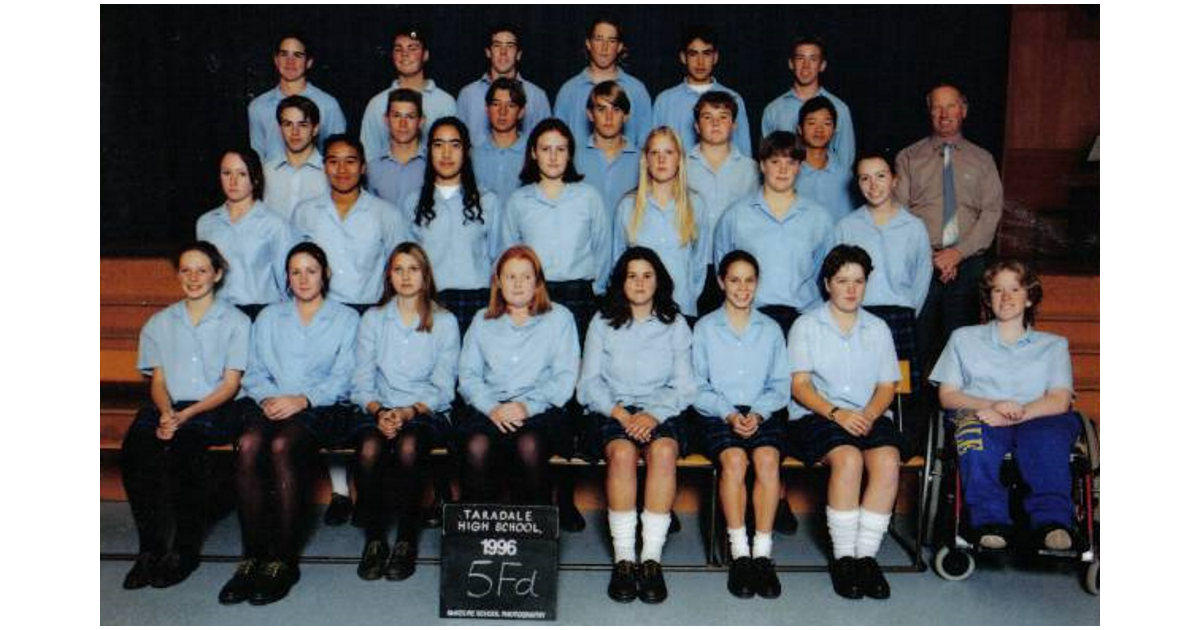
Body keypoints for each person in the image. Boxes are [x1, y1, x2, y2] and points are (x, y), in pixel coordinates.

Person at [219, 242, 361, 606]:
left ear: (326, 274)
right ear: (287, 277)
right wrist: (270, 399)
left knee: (282, 446)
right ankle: (252, 557)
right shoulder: (269, 317)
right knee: (250, 443)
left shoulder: (346, 318)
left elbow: (346, 376)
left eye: (311, 270)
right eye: (295, 271)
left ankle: (282, 561)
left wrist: (302, 400)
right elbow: (254, 371)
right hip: (272, 403)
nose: (303, 278)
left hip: (323, 406)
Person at [121, 241, 250, 591]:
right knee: (135, 447)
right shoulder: (159, 322)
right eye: (186, 270)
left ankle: (184, 550)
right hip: (170, 405)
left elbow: (230, 384)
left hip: (215, 406)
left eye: (202, 270)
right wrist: (166, 412)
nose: (193, 278)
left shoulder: (236, 321)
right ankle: (149, 550)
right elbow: (159, 382)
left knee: (185, 448)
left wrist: (185, 415)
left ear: (217, 274)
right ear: (178, 274)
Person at [929, 260, 1078, 553]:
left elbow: (1059, 399)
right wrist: (994, 405)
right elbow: (947, 395)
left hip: (1039, 415)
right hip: (981, 412)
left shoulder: (1053, 345)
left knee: (1045, 438)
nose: (1006, 297)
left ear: (1029, 297)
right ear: (988, 297)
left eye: (1015, 289)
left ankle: (1052, 522)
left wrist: (1014, 416)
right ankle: (989, 521)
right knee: (975, 435)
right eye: (998, 290)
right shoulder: (964, 338)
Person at [577, 247, 695, 604]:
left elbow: (685, 386)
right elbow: (589, 383)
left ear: (659, 281)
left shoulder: (675, 323)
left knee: (662, 450)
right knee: (623, 452)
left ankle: (651, 560)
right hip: (613, 411)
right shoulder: (602, 321)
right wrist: (622, 415)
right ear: (621, 281)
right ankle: (625, 559)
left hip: (662, 409)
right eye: (632, 275)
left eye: (647, 275)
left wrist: (652, 415)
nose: (640, 282)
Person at [787, 244, 902, 601]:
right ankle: (843, 559)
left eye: (858, 281)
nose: (851, 289)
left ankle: (865, 555)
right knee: (849, 459)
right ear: (827, 284)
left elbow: (887, 385)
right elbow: (799, 384)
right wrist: (838, 414)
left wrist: (868, 413)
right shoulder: (807, 325)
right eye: (842, 281)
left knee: (886, 460)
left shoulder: (878, 328)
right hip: (818, 414)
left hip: (866, 413)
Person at [352, 243, 461, 582]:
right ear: (389, 276)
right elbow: (360, 383)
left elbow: (444, 388)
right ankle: (374, 540)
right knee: (369, 448)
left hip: (425, 411)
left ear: (425, 274)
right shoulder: (373, 319)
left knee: (409, 447)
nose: (406, 277)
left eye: (413, 269)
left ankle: (405, 540)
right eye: (398, 269)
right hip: (380, 409)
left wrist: (408, 412)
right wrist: (381, 411)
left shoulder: (444, 321)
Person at [693, 250, 789, 599]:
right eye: (734, 280)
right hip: (718, 411)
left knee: (766, 459)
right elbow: (697, 385)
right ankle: (740, 554)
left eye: (749, 280)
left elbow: (780, 385)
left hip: (762, 410)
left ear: (757, 284)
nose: (742, 287)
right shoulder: (705, 328)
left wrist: (759, 413)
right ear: (721, 282)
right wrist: (729, 413)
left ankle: (762, 554)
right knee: (735, 460)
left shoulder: (771, 329)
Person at [456, 245, 581, 507]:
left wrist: (526, 407)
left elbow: (564, 378)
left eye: (526, 276)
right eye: (510, 277)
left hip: (542, 410)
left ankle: (533, 540)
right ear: (498, 282)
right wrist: (492, 408)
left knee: (528, 444)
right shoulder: (482, 320)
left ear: (537, 282)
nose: (518, 284)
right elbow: (468, 375)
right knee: (476, 444)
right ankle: (484, 534)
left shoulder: (560, 318)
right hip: (491, 409)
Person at [895, 83, 1004, 381]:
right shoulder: (908, 157)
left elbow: (991, 213)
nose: (944, 114)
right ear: (929, 112)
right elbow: (899, 214)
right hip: (921, 263)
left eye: (951, 106)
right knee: (915, 346)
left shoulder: (983, 160)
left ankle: (955, 418)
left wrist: (957, 253)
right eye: (937, 107)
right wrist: (932, 257)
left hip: (968, 264)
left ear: (964, 110)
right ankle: (912, 422)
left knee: (963, 345)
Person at [835, 151, 933, 436]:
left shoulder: (914, 227)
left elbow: (921, 279)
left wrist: (905, 310)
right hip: (857, 317)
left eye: (880, 176)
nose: (873, 185)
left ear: (894, 180)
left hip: (898, 317)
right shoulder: (847, 226)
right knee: (857, 384)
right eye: (865, 178)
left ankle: (896, 442)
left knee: (898, 389)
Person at [713, 131, 834, 336]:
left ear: (799, 167)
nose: (783, 170)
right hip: (750, 319)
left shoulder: (819, 218)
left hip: (804, 321)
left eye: (791, 162)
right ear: (762, 165)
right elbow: (723, 270)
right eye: (775, 161)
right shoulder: (735, 215)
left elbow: (824, 273)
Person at [501, 118, 611, 339]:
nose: (553, 157)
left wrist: (596, 291)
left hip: (579, 294)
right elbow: (508, 252)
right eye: (545, 149)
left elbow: (603, 248)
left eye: (560, 149)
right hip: (534, 294)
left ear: (569, 154)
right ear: (533, 153)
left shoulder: (588, 196)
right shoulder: (518, 200)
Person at [399, 117, 502, 335]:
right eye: (438, 145)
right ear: (428, 151)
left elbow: (498, 260)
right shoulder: (412, 203)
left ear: (466, 152)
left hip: (476, 302)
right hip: (429, 301)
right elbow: (406, 263)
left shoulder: (488, 201)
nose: (446, 154)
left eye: (454, 145)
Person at [292, 134, 406, 309]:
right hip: (320, 310)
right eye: (333, 162)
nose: (342, 169)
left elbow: (401, 268)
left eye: (350, 161)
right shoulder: (305, 213)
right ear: (324, 167)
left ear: (363, 168)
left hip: (368, 310)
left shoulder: (386, 214)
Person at [612, 127, 709, 320]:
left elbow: (699, 264)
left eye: (669, 152)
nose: (661, 159)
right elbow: (618, 263)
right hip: (638, 313)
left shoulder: (696, 204)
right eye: (654, 153)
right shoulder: (627, 206)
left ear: (679, 159)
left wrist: (688, 296)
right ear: (646, 160)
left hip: (682, 309)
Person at [196, 148, 295, 319]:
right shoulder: (206, 223)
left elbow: (286, 283)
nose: (233, 181)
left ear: (255, 178)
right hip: (218, 314)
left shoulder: (274, 224)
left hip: (260, 314)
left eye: (242, 174)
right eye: (226, 173)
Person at [685, 91, 758, 316]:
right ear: (697, 126)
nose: (715, 123)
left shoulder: (751, 169)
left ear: (734, 124)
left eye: (723, 117)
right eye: (707, 117)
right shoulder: (681, 165)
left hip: (735, 269)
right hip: (692, 263)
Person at [553, 15, 653, 152]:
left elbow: (646, 145)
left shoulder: (637, 90)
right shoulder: (569, 90)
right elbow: (557, 142)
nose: (604, 47)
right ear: (588, 43)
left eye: (611, 41)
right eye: (598, 39)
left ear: (619, 47)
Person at [651, 25, 752, 157]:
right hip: (677, 177)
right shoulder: (665, 101)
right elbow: (652, 151)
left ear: (715, 57)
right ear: (683, 57)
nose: (700, 62)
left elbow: (744, 153)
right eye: (693, 54)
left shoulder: (733, 98)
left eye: (707, 54)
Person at [361, 27, 457, 163]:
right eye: (398, 49)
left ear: (425, 55)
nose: (405, 54)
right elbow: (368, 155)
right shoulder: (377, 104)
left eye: (413, 48)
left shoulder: (445, 102)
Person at [248, 33, 347, 163]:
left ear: (309, 62)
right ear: (276, 60)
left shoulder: (328, 105)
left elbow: (339, 154)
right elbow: (257, 157)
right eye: (284, 54)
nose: (290, 61)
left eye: (298, 55)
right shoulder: (258, 106)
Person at [761, 36, 854, 171]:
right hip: (786, 188)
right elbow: (766, 158)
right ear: (791, 63)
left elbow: (845, 162)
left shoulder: (840, 108)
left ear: (822, 65)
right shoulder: (774, 109)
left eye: (813, 59)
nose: (806, 66)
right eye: (800, 58)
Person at [455, 24, 552, 146]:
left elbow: (547, 142)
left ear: (518, 54)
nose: (503, 52)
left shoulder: (537, 96)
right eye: (497, 45)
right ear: (488, 52)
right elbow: (458, 142)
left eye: (510, 46)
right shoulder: (468, 95)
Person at [573, 81, 641, 217]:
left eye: (616, 110)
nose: (609, 117)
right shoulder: (574, 157)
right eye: (601, 109)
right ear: (590, 114)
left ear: (626, 116)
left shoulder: (642, 159)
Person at [263, 95, 329, 222]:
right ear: (280, 129)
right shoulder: (267, 171)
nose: (295, 132)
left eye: (303, 125)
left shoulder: (329, 171)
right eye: (288, 124)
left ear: (315, 129)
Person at [795, 96, 855, 224]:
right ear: (799, 129)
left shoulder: (844, 174)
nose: (819, 129)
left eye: (827, 123)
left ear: (834, 130)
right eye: (812, 123)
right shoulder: (789, 171)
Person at [472, 78, 529, 210]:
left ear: (521, 112)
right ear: (487, 109)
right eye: (496, 104)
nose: (502, 112)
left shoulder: (532, 154)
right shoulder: (474, 155)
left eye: (510, 105)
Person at [366, 89, 427, 209]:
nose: (403, 124)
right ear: (386, 120)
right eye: (396, 116)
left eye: (410, 117)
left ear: (421, 121)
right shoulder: (373, 168)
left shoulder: (434, 164)